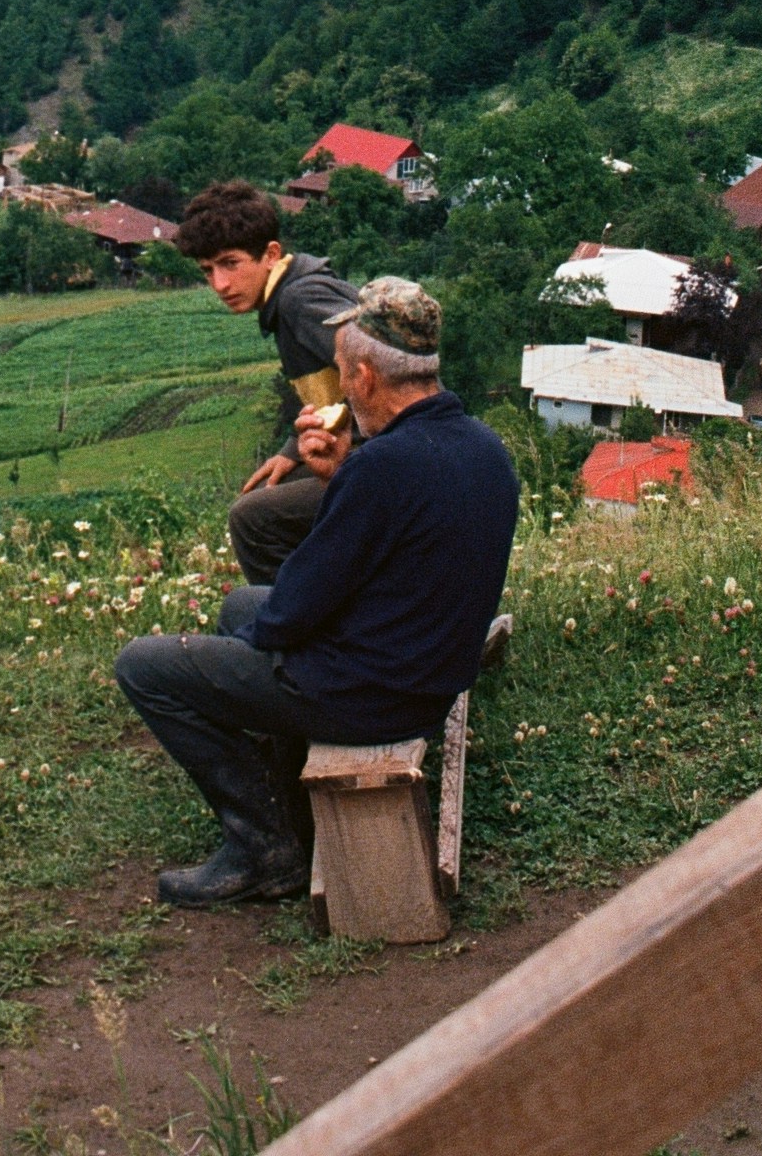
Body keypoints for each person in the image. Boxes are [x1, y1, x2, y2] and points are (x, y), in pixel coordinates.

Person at [114, 275, 519, 908]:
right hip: (425, 670)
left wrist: (246, 649)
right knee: (234, 607)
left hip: (372, 696)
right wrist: (345, 477)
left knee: (145, 664)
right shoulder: (481, 446)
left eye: (338, 370)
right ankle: (280, 788)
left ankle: (267, 850)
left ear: (363, 376)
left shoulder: (384, 466)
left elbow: (291, 613)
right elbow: (392, 544)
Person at [173, 179, 359, 582]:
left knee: (251, 518)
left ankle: (296, 633)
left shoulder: (299, 300)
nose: (219, 285)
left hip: (387, 460)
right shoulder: (286, 300)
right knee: (266, 491)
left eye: (230, 263)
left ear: (271, 254)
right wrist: (293, 449)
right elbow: (319, 389)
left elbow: (377, 369)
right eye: (208, 270)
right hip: (367, 452)